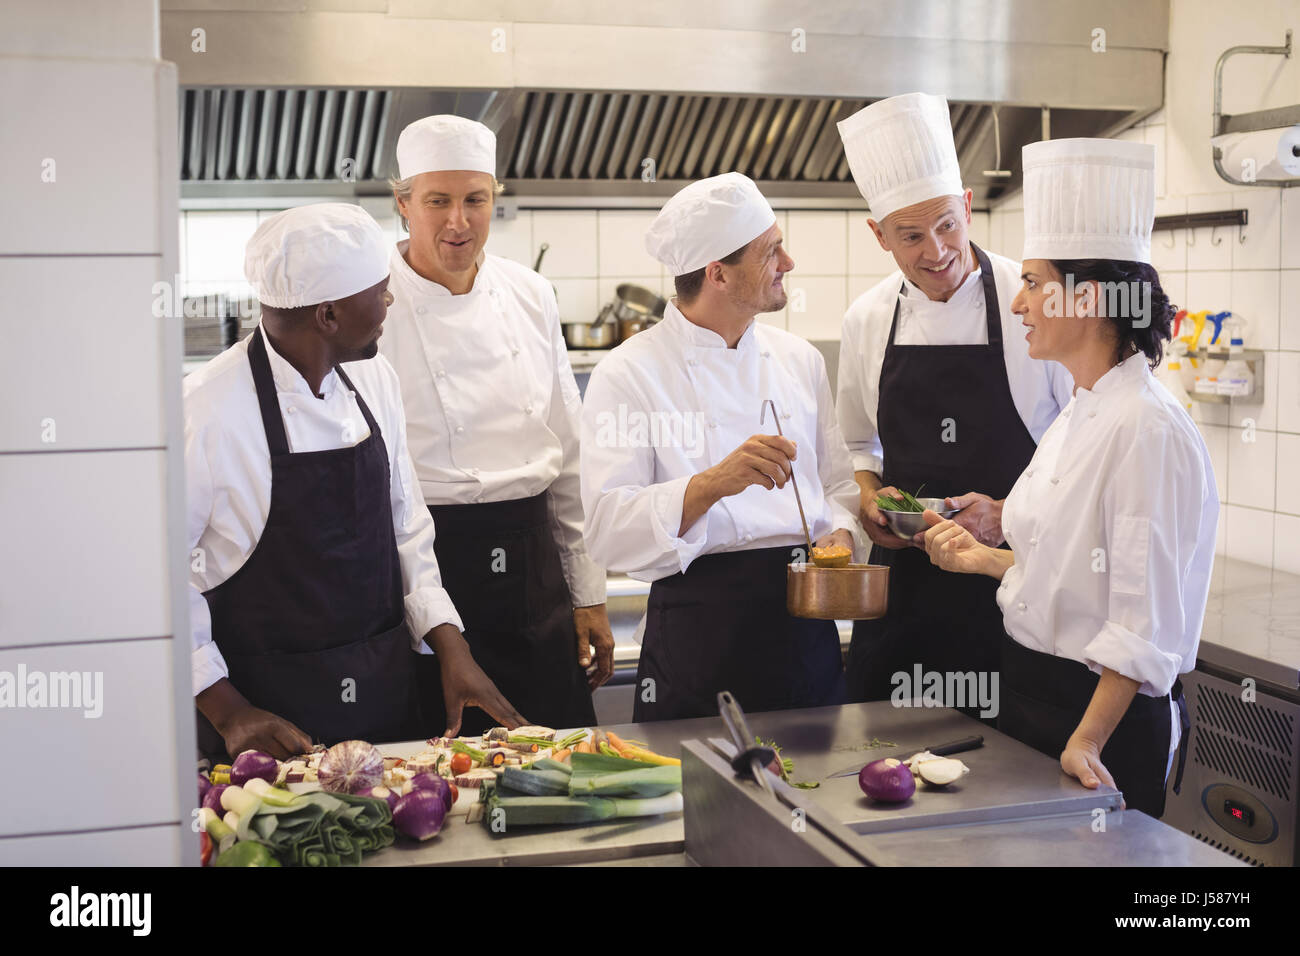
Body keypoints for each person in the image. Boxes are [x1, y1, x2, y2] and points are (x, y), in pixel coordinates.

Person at [921, 138, 1213, 817]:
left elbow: (1141, 620)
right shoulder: (1081, 410)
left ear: (1087, 298)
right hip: (1032, 696)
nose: (1018, 303)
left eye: (1033, 283)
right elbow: (1075, 577)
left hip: (1097, 724)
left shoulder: (1147, 428)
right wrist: (983, 559)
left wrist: (1086, 739)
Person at [186, 203, 525, 762]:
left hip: (382, 698)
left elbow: (406, 522)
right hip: (265, 723)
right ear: (328, 315)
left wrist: (449, 643)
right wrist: (229, 712)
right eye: (381, 292)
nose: (390, 302)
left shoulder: (374, 377)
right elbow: (156, 582)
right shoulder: (206, 411)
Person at [580, 172, 862, 722]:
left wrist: (843, 533)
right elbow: (609, 529)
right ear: (718, 274)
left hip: (805, 635)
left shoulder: (800, 360)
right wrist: (711, 484)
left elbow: (838, 483)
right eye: (771, 251)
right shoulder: (628, 372)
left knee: (821, 773)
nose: (788, 263)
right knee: (692, 778)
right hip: (697, 637)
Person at [834, 93, 1074, 720]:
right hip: (906, 597)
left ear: (967, 207)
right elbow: (857, 447)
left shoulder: (1030, 301)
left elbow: (1080, 451)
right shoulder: (866, 319)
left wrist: (1006, 515)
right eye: (911, 236)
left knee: (1009, 759)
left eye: (947, 225)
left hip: (1011, 584)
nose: (937, 251)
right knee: (885, 756)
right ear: (879, 236)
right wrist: (871, 501)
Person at [380, 115, 611, 734]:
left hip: (534, 571)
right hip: (425, 568)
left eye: (475, 200)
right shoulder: (371, 301)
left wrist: (588, 592)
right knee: (438, 769)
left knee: (560, 760)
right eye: (438, 201)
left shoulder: (531, 293)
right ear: (403, 204)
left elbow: (569, 453)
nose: (458, 222)